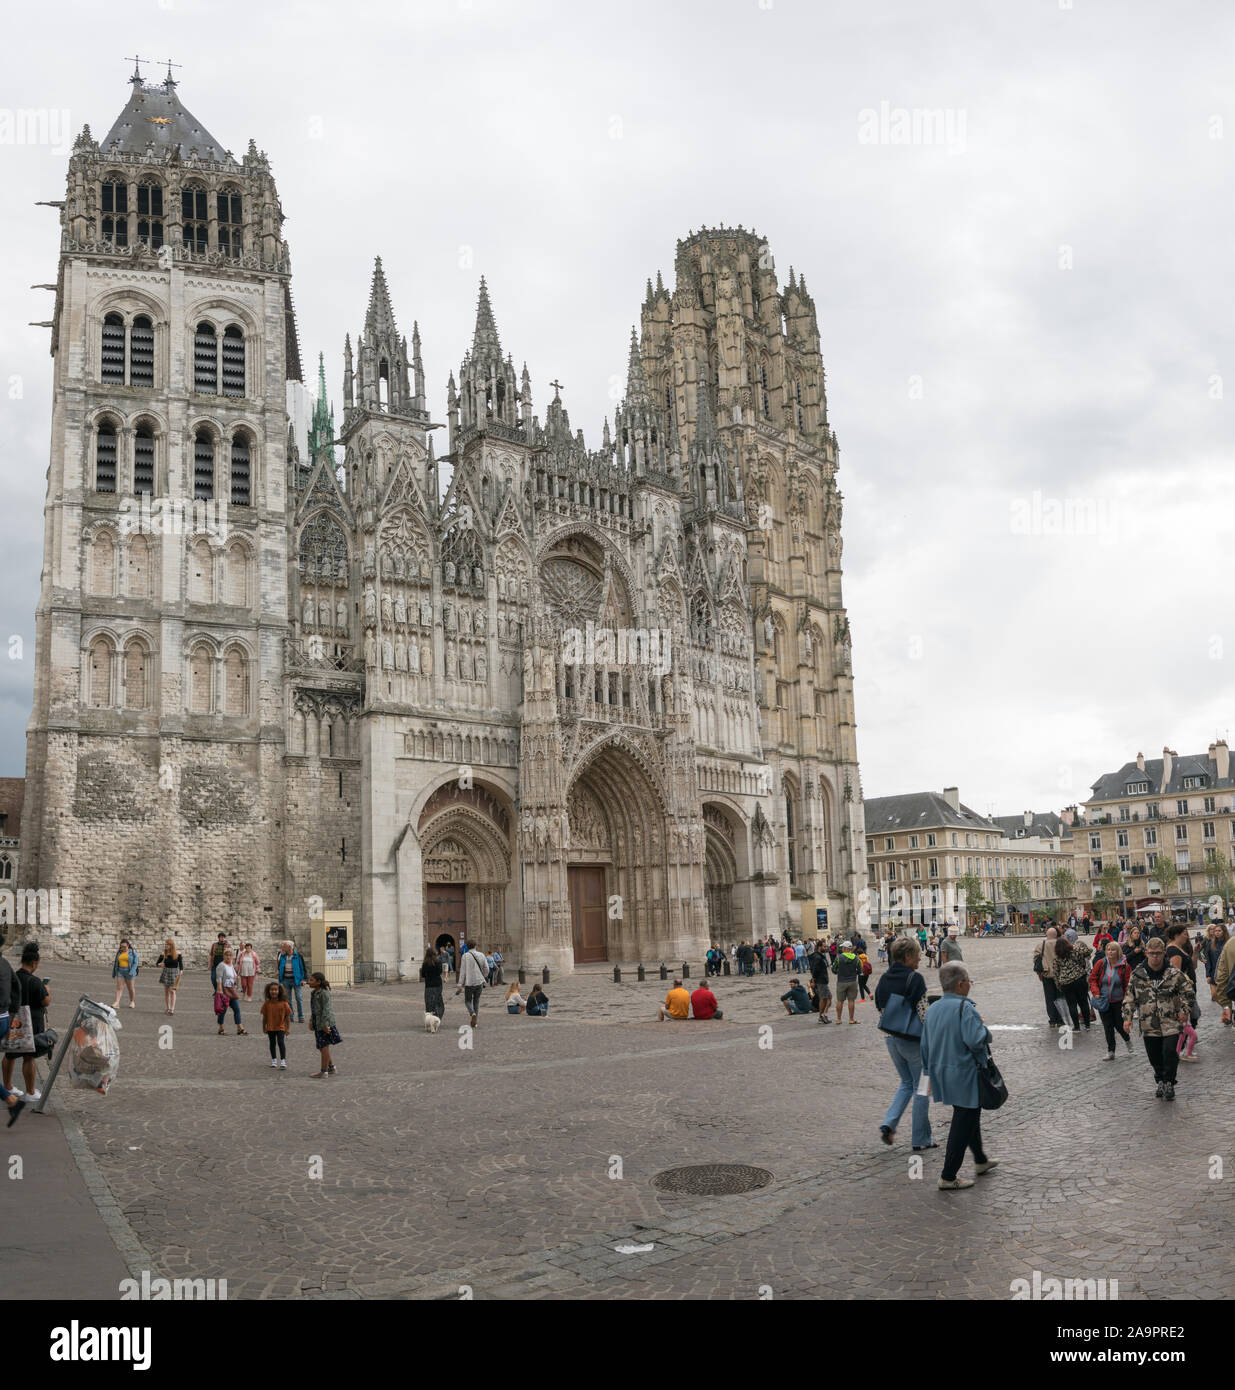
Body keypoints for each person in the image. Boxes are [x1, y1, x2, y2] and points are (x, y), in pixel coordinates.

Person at [920, 962, 998, 1190]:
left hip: (942, 1072)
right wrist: (983, 1027)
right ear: (961, 984)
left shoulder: (932, 1008)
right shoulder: (966, 1008)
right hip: (965, 1072)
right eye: (969, 982)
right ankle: (948, 1175)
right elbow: (975, 1040)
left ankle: (981, 1160)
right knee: (963, 1121)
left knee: (969, 1115)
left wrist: (927, 1074)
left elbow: (924, 1044)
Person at [874, 935, 933, 1152]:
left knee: (907, 1083)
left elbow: (880, 1007)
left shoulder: (884, 978)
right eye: (917, 955)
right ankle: (920, 1139)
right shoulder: (914, 978)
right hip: (912, 1041)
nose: (920, 958)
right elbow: (923, 1013)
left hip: (890, 1038)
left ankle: (889, 1123)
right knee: (922, 1088)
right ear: (908, 956)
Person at [1122, 938, 1194, 1101]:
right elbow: (1129, 997)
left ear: (1163, 954)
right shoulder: (1138, 975)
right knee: (1154, 1055)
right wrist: (1127, 1018)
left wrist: (1184, 1010)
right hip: (1149, 1023)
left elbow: (1188, 993)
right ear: (1146, 953)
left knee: (1169, 1052)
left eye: (1158, 954)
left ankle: (1169, 1082)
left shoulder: (1174, 973)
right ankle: (1160, 1080)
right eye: (1152, 954)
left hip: (1171, 1021)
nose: (1155, 957)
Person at [1, 943, 51, 1103]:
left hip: (13, 1019)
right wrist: (47, 989)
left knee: (10, 1054)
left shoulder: (12, 976)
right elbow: (46, 1001)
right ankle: (30, 1091)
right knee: (29, 1057)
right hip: (32, 1021)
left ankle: (8, 1086)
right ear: (34, 963)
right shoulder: (36, 982)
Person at [1088, 941, 1133, 1060]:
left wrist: (1126, 1001)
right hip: (1103, 1000)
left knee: (1119, 1025)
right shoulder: (1101, 963)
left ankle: (1127, 1040)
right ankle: (1111, 1051)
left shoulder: (1125, 966)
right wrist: (1096, 992)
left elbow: (1127, 985)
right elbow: (1092, 979)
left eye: (1112, 950)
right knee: (1108, 1026)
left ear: (1118, 952)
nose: (1110, 952)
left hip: (1118, 1001)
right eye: (1108, 949)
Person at [0, 944, 25, 1126]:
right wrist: (12, 1015)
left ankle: (11, 1100)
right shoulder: (5, 963)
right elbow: (17, 988)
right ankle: (10, 1100)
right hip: (4, 1019)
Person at [1051, 936, 1093, 1032]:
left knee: (1072, 1005)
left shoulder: (1057, 959)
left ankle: (1077, 1027)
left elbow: (1056, 974)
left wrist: (1059, 986)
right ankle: (1087, 1025)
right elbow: (1089, 950)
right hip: (1079, 979)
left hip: (1066, 983)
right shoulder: (1075, 952)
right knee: (1083, 1002)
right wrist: (1075, 947)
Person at [307, 972, 341, 1076]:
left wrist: (325, 1025)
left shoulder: (324, 994)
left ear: (318, 982)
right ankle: (331, 1067)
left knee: (324, 1046)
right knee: (322, 1046)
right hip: (318, 1022)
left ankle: (324, 1071)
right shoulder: (313, 993)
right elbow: (314, 1009)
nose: (309, 982)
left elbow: (327, 1010)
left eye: (312, 980)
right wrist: (311, 1020)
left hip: (325, 1023)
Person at [1033, 928, 1062, 1027]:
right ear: (1056, 934)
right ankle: (1061, 1019)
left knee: (1050, 998)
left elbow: (1036, 960)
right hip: (1060, 975)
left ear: (1046, 934)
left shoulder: (1041, 945)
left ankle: (1052, 1020)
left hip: (1047, 974)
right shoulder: (1061, 943)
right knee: (1060, 997)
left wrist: (1039, 974)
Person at [214, 947, 247, 1036]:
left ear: (232, 957)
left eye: (230, 955)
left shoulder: (231, 965)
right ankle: (221, 1028)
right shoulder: (221, 965)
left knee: (237, 1009)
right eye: (226, 955)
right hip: (224, 990)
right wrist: (220, 989)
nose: (228, 957)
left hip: (231, 990)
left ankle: (240, 1028)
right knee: (223, 1010)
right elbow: (219, 978)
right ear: (224, 956)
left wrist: (236, 985)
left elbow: (235, 976)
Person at [456, 941, 489, 1027]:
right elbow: (487, 968)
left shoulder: (465, 956)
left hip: (469, 982)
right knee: (476, 1001)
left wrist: (460, 984)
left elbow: (462, 972)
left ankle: (472, 1013)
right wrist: (484, 976)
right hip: (479, 982)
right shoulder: (481, 955)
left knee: (467, 1001)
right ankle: (475, 1022)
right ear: (475, 946)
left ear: (467, 947)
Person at [260, 982, 292, 1069]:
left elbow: (287, 1017)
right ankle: (274, 1060)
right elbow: (264, 1017)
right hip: (270, 1027)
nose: (273, 992)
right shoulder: (267, 1004)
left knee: (281, 1042)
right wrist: (264, 1027)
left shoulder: (284, 1003)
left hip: (281, 1027)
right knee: (272, 1043)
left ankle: (283, 1061)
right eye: (272, 990)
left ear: (279, 991)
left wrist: (287, 1028)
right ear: (268, 991)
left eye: (275, 990)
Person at [277, 940, 307, 1024]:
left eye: (284, 946)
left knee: (299, 998)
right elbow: (280, 968)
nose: (282, 947)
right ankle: (291, 1016)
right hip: (285, 980)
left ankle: (301, 1016)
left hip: (296, 980)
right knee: (288, 1000)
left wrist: (304, 979)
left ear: (289, 947)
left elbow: (303, 968)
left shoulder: (298, 956)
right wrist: (280, 980)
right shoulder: (282, 956)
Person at [832, 940, 862, 1024]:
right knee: (851, 1001)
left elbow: (833, 970)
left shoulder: (839, 957)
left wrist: (839, 972)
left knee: (840, 1001)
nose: (841, 949)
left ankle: (838, 1019)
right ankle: (851, 1019)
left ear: (845, 948)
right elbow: (860, 971)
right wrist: (854, 973)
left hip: (841, 981)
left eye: (842, 947)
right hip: (852, 981)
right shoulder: (856, 958)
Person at [156, 938, 183, 1015]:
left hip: (174, 973)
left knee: (173, 991)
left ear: (171, 946)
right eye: (166, 944)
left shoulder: (178, 953)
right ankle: (168, 1008)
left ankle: (172, 1009)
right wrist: (159, 964)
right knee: (166, 992)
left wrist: (181, 970)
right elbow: (157, 963)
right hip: (166, 972)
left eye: (168, 944)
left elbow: (180, 964)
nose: (166, 946)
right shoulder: (163, 953)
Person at [420, 946, 446, 1023]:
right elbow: (440, 972)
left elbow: (423, 975)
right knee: (438, 1001)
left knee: (429, 1002)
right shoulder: (438, 962)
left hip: (429, 985)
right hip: (438, 984)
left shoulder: (425, 963)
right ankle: (437, 1018)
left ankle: (430, 1018)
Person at [112, 938, 139, 1009]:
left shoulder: (133, 952)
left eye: (124, 946)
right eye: (122, 946)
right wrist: (114, 972)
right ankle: (116, 1002)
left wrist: (132, 971)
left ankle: (132, 1001)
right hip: (120, 971)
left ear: (128, 946)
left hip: (129, 971)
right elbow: (116, 963)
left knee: (130, 988)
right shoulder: (119, 952)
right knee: (119, 988)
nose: (123, 948)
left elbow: (135, 963)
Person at [809, 941, 833, 1024]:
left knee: (829, 997)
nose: (826, 948)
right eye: (824, 947)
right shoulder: (817, 957)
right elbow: (814, 970)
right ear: (819, 947)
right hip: (820, 980)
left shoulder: (820, 956)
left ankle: (823, 1014)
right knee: (823, 998)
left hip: (823, 980)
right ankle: (821, 1016)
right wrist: (813, 980)